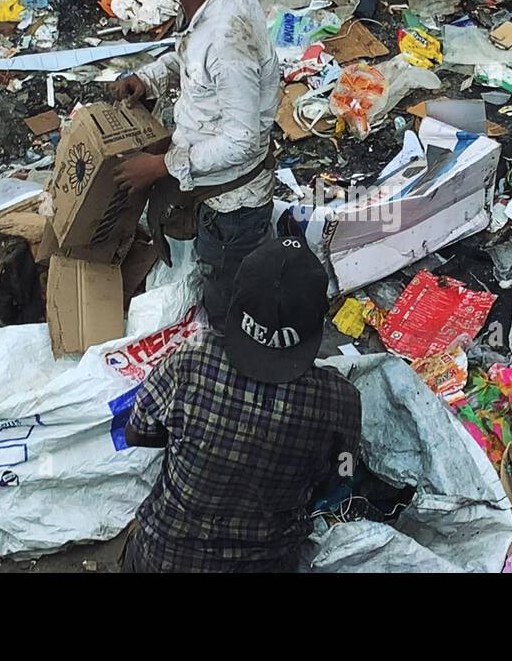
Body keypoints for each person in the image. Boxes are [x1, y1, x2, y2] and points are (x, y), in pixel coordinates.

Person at [121, 236, 362, 573]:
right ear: (317, 324)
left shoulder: (190, 361)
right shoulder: (342, 402)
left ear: (236, 302)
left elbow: (137, 432)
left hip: (163, 559)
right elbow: (342, 474)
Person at [111, 0, 279, 327]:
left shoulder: (227, 40)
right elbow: (194, 56)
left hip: (233, 206)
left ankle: (235, 352)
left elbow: (241, 142)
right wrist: (150, 77)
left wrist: (160, 166)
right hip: (213, 189)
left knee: (228, 302)